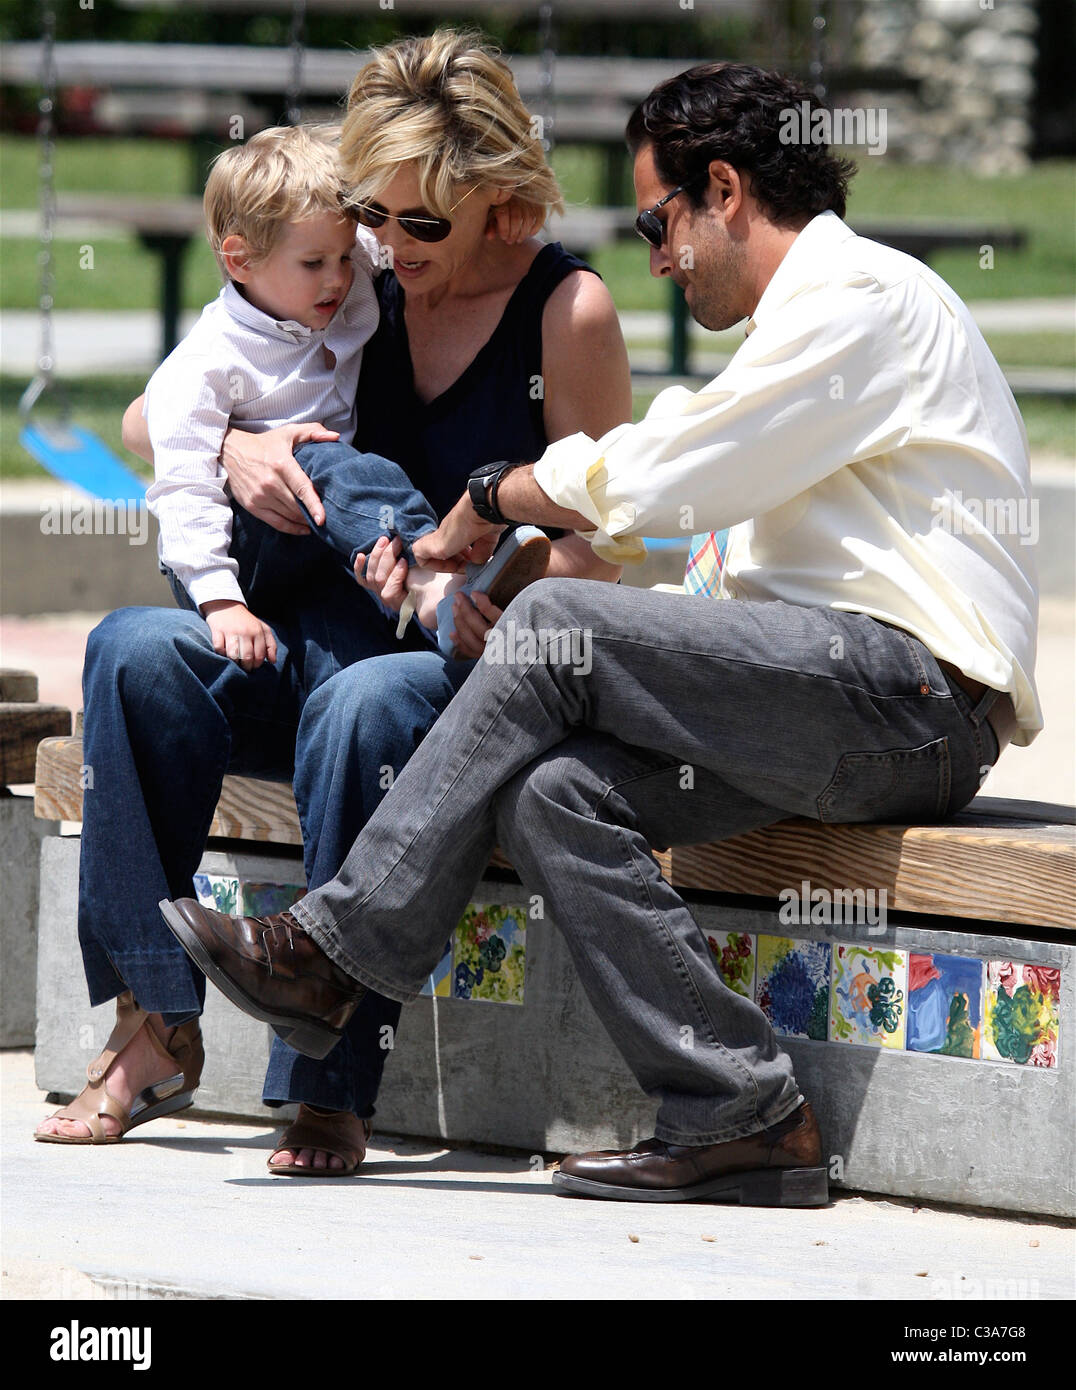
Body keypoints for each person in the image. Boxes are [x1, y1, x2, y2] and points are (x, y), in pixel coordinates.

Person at [162, 60, 1041, 1205]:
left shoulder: (862, 300)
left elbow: (673, 471)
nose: (655, 257)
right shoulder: (805, 323)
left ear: (720, 189)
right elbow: (723, 552)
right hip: (828, 703)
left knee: (562, 618)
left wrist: (495, 494)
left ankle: (333, 953)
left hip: (911, 697)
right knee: (555, 797)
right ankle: (737, 1106)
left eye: (656, 221)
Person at [35, 31, 631, 1164]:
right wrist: (239, 453)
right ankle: (153, 1019)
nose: (389, 246)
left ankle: (329, 1079)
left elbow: (600, 551)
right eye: (374, 213)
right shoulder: (344, 274)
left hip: (447, 650)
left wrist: (458, 578)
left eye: (422, 223)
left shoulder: (567, 317)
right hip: (298, 628)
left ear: (498, 203)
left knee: (361, 706)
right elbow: (145, 425)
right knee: (129, 649)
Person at [146, 122, 549, 666]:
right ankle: (436, 566)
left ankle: (441, 621)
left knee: (353, 655)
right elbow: (183, 489)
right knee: (322, 457)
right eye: (315, 264)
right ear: (239, 261)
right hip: (237, 555)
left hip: (324, 544)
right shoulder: (205, 363)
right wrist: (221, 602)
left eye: (342, 257)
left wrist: (500, 207)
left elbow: (408, 217)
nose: (339, 277)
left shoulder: (333, 274)